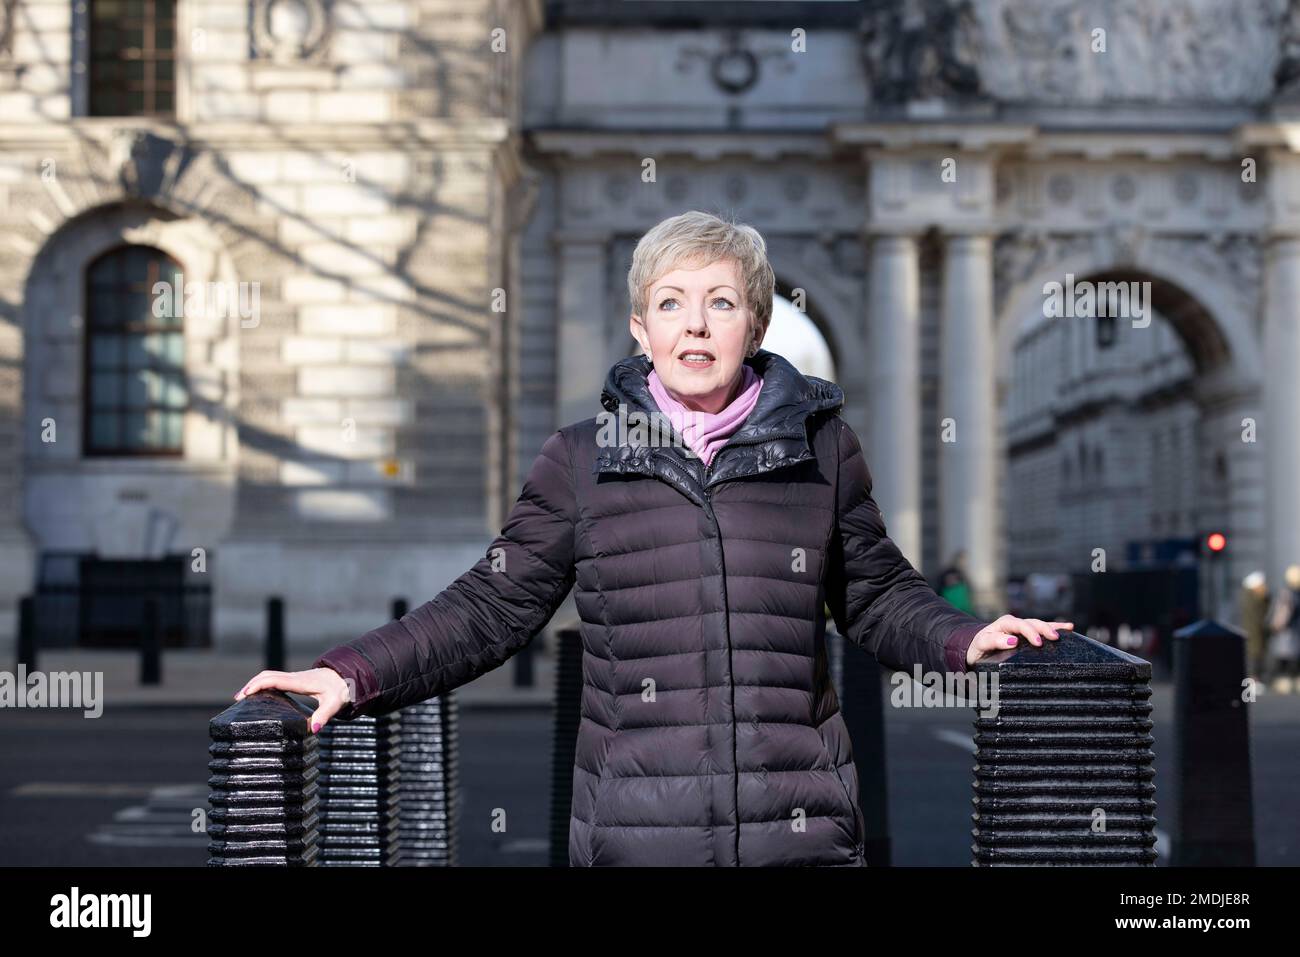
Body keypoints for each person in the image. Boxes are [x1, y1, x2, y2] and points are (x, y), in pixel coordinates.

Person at [234, 210, 1072, 867]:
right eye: (670, 303)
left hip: (802, 837)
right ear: (641, 329)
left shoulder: (823, 449)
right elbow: (491, 605)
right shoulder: (582, 460)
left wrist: (967, 637)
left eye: (720, 303)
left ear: (756, 323)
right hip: (636, 839)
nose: (695, 326)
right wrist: (353, 670)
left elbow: (879, 596)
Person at [1265, 564, 1300, 694]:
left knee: (1284, 661)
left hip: (1287, 634)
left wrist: (1274, 626)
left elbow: (1282, 615)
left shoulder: (1287, 594)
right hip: (1296, 633)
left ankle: (1284, 682)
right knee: (1295, 660)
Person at [1238, 570, 1270, 685]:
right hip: (1253, 631)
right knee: (1253, 656)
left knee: (1256, 656)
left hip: (1256, 631)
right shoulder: (1251, 598)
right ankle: (1253, 680)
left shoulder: (1251, 597)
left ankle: (1255, 679)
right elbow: (1259, 615)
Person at [937, 550, 975, 615]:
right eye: (962, 560)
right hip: (951, 611)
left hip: (963, 611)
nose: (964, 563)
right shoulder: (949, 573)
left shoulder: (963, 576)